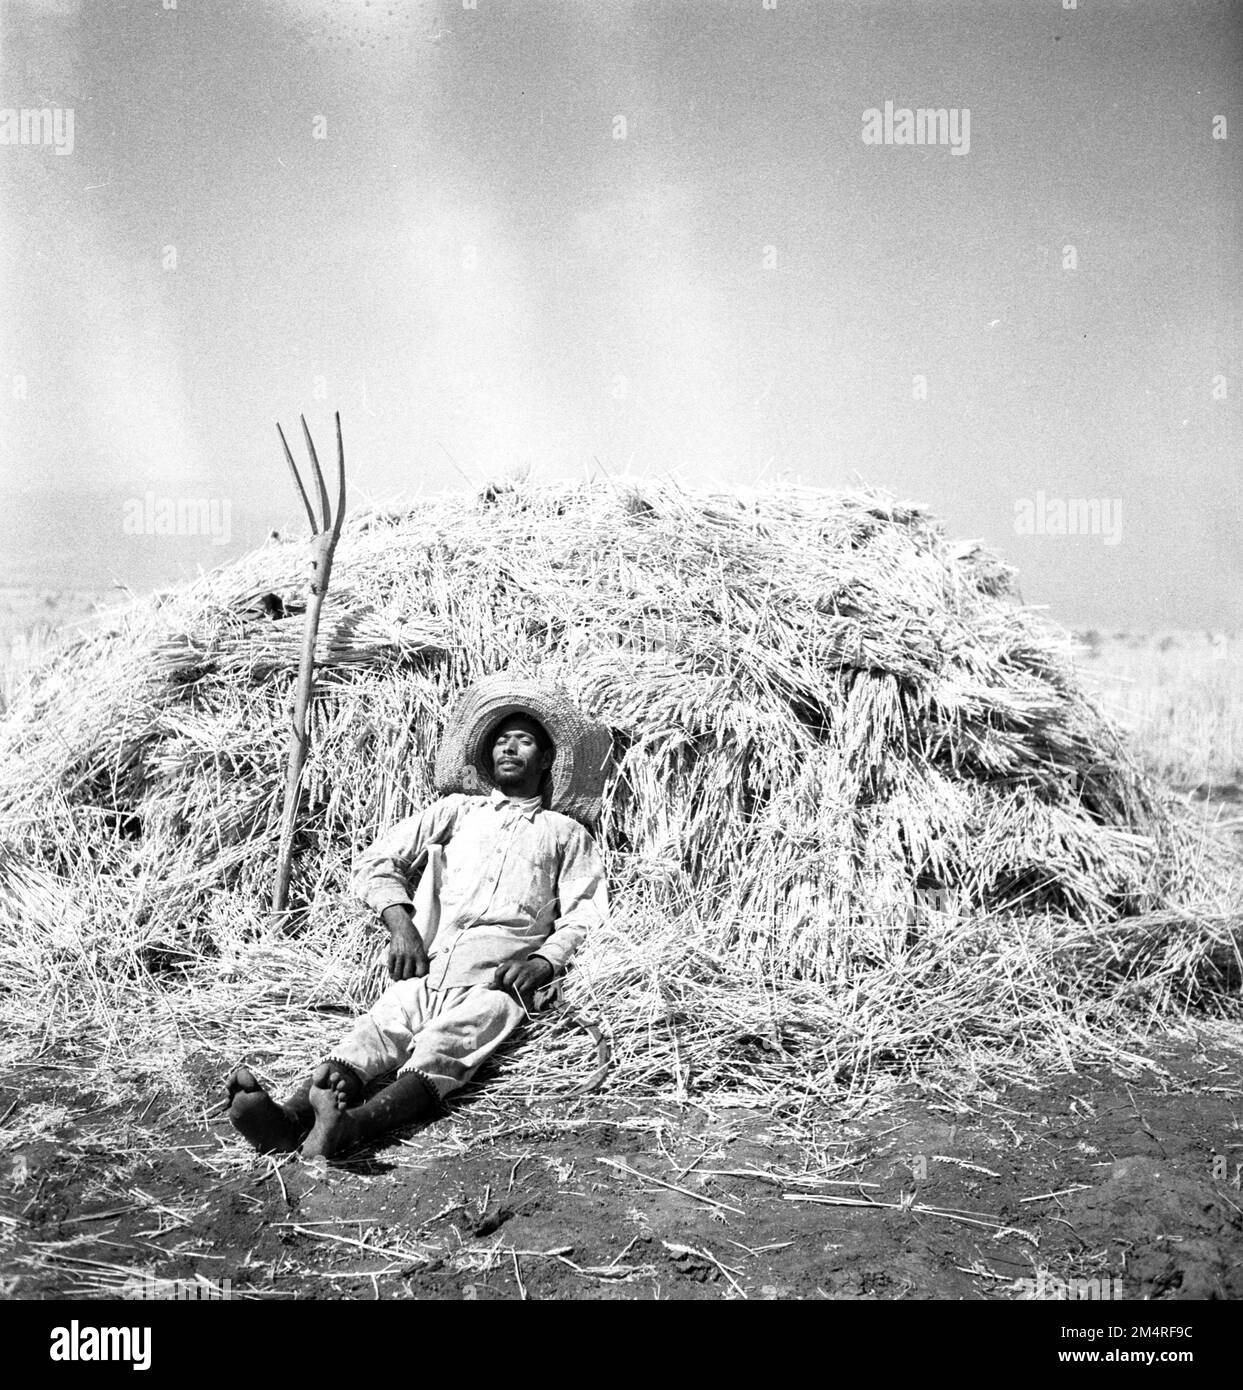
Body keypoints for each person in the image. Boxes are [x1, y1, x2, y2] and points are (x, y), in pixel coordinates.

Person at [226, 679, 610, 1159]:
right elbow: (375, 861)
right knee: (375, 1030)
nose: (509, 747)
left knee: (446, 1046)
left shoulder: (565, 833)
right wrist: (401, 925)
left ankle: (351, 1128)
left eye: (525, 740)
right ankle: (287, 1120)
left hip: (496, 980)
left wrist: (543, 963)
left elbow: (586, 913)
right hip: (429, 963)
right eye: (501, 739)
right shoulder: (457, 812)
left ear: (548, 759)